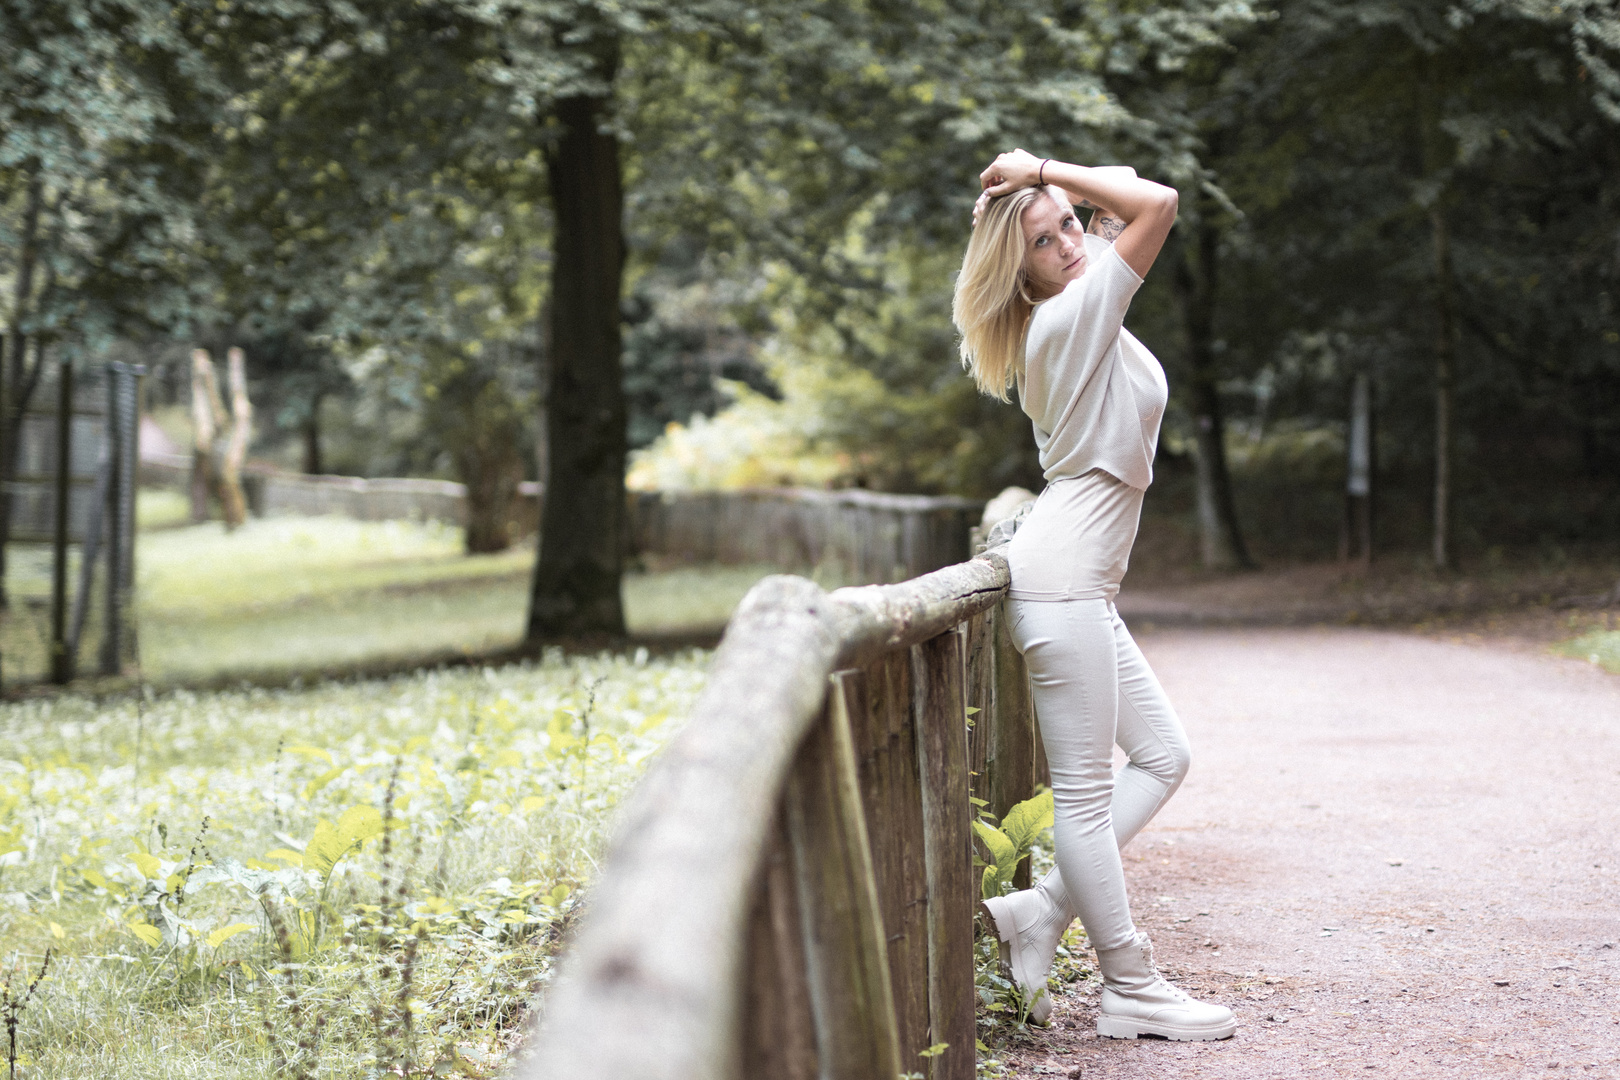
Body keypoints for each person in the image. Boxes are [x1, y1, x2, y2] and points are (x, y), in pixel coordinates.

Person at [952, 149, 1236, 1042]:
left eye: (1072, 225)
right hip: (1064, 582)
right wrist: (1040, 167)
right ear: (1022, 270)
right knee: (1081, 795)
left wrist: (1039, 187)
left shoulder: (1083, 300)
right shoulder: (1072, 314)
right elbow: (1159, 200)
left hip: (1081, 584)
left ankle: (1041, 912)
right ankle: (1130, 983)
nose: (1071, 243)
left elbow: (1127, 184)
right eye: (1043, 242)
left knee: (1163, 756)